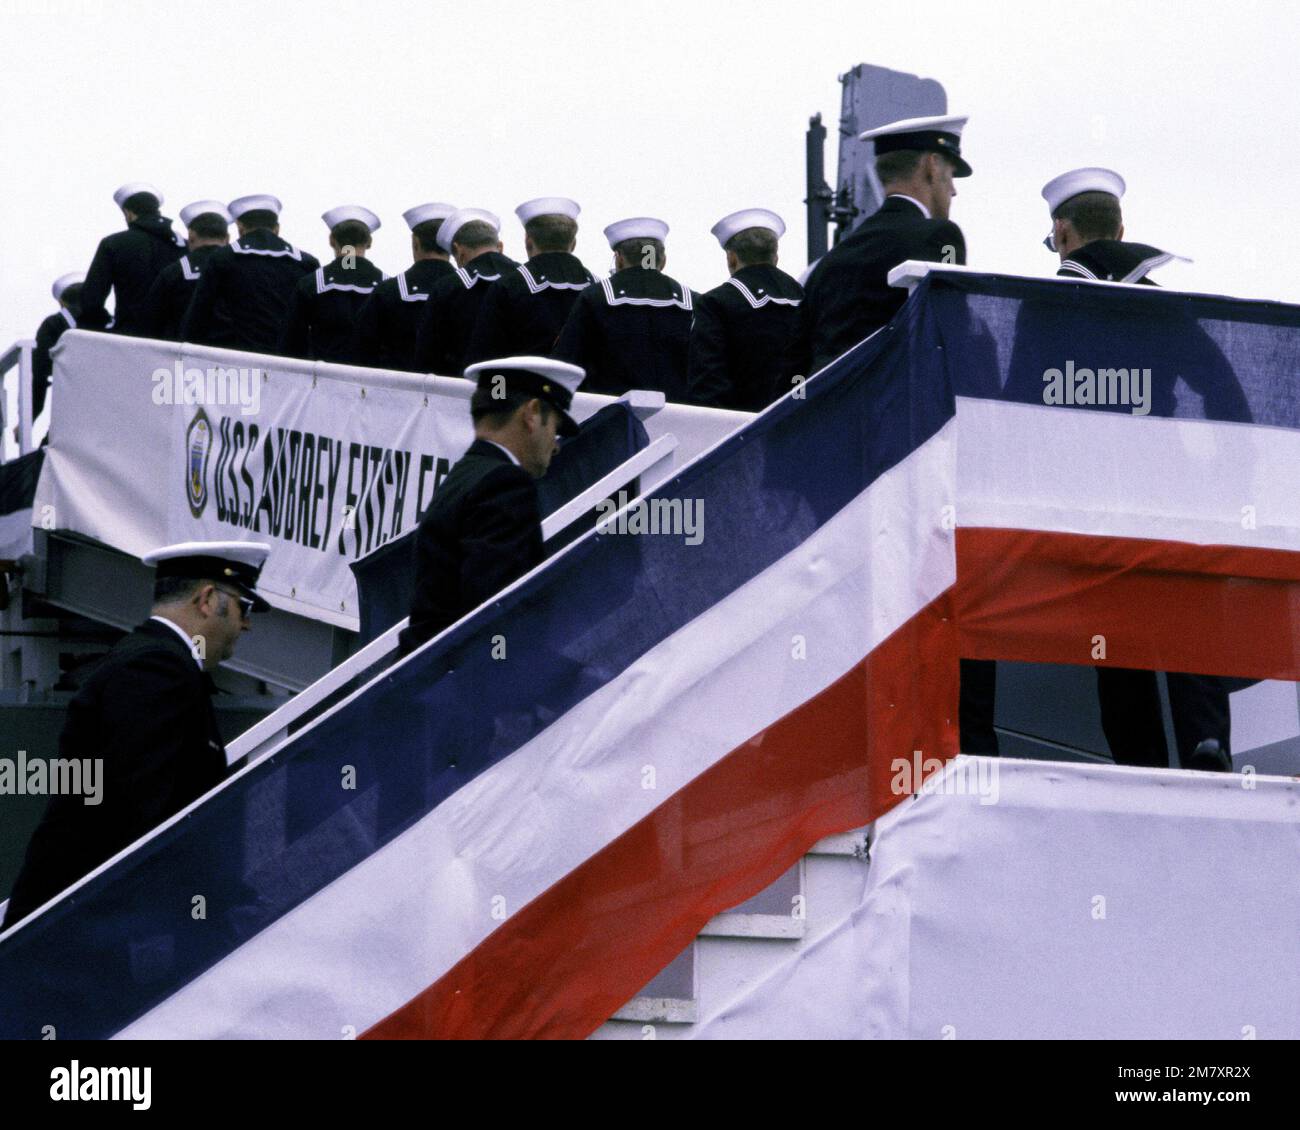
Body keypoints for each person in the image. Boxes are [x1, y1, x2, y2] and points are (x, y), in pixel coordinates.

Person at [1026, 166, 1241, 772]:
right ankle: (1207, 739)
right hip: (1165, 481)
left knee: (1114, 628)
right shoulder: (1160, 306)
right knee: (1188, 602)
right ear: (1121, 228)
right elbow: (1226, 393)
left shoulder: (1041, 311)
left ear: (1064, 233)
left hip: (1090, 489)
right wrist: (1225, 477)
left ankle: (1139, 761)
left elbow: (1015, 408)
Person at [2, 541, 270, 929]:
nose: (246, 624)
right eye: (243, 607)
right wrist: (215, 904)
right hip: (88, 934)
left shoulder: (152, 662)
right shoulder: (156, 669)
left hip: (85, 925)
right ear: (208, 599)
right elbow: (149, 809)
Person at [398, 356, 583, 654]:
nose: (556, 444)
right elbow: (496, 613)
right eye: (556, 429)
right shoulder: (506, 485)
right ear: (532, 414)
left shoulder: (466, 475)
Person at [787, 114, 971, 380]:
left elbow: (794, 366)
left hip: (826, 413)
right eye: (951, 174)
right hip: (895, 410)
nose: (953, 190)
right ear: (931, 166)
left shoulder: (827, 263)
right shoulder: (941, 236)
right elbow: (950, 330)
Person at [553, 217, 695, 400]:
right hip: (683, 419)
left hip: (611, 418)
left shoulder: (594, 297)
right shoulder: (694, 301)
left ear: (619, 259)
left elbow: (566, 364)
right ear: (663, 260)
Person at [687, 208, 803, 411]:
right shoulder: (805, 296)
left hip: (746, 430)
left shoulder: (715, 303)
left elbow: (708, 384)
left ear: (731, 258)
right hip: (808, 421)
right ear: (775, 257)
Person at [178, 194, 321, 354]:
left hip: (238, 360)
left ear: (240, 227)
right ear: (277, 228)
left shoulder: (222, 259)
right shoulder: (306, 263)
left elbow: (199, 315)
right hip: (291, 362)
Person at [466, 196, 594, 362]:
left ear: (528, 241)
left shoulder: (506, 287)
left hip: (521, 386)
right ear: (574, 243)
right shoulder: (597, 287)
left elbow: (485, 358)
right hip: (585, 388)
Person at [351, 202, 458, 371]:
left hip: (395, 392)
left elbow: (361, 350)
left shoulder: (387, 292)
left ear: (415, 243)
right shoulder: (471, 291)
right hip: (460, 394)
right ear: (452, 245)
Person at [412, 208, 518, 376]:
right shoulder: (526, 278)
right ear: (500, 247)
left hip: (465, 391)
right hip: (527, 395)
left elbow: (427, 357)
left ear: (459, 251)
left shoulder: (446, 288)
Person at [279, 205, 385, 363]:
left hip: (322, 382)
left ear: (331, 240)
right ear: (369, 242)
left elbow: (291, 345)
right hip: (373, 383)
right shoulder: (388, 287)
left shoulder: (309, 284)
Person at [78, 182, 185, 335]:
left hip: (131, 341)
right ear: (158, 211)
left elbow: (91, 300)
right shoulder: (184, 245)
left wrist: (107, 327)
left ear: (128, 213)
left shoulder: (113, 244)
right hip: (178, 346)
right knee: (178, 362)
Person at [140, 200, 232, 341]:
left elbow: (150, 323)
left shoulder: (173, 272)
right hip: (234, 359)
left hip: (181, 359)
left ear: (191, 235)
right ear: (227, 238)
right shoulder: (246, 271)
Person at [31, 273, 83, 422]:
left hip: (75, 406)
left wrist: (30, 417)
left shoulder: (52, 325)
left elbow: (39, 373)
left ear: (61, 302)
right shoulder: (109, 324)